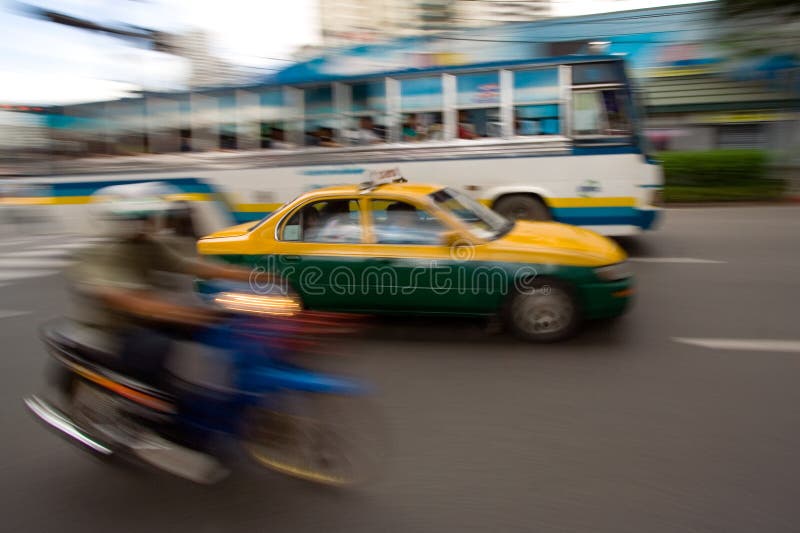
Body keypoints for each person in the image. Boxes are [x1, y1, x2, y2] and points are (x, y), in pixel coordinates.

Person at [66, 182, 257, 482]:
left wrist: (254, 276)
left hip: (150, 318)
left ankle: (214, 404)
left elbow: (192, 266)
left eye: (150, 217)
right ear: (125, 220)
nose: (152, 224)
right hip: (117, 330)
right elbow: (130, 301)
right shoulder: (99, 256)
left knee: (221, 333)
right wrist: (190, 313)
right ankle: (163, 422)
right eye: (145, 218)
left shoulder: (148, 245)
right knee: (159, 350)